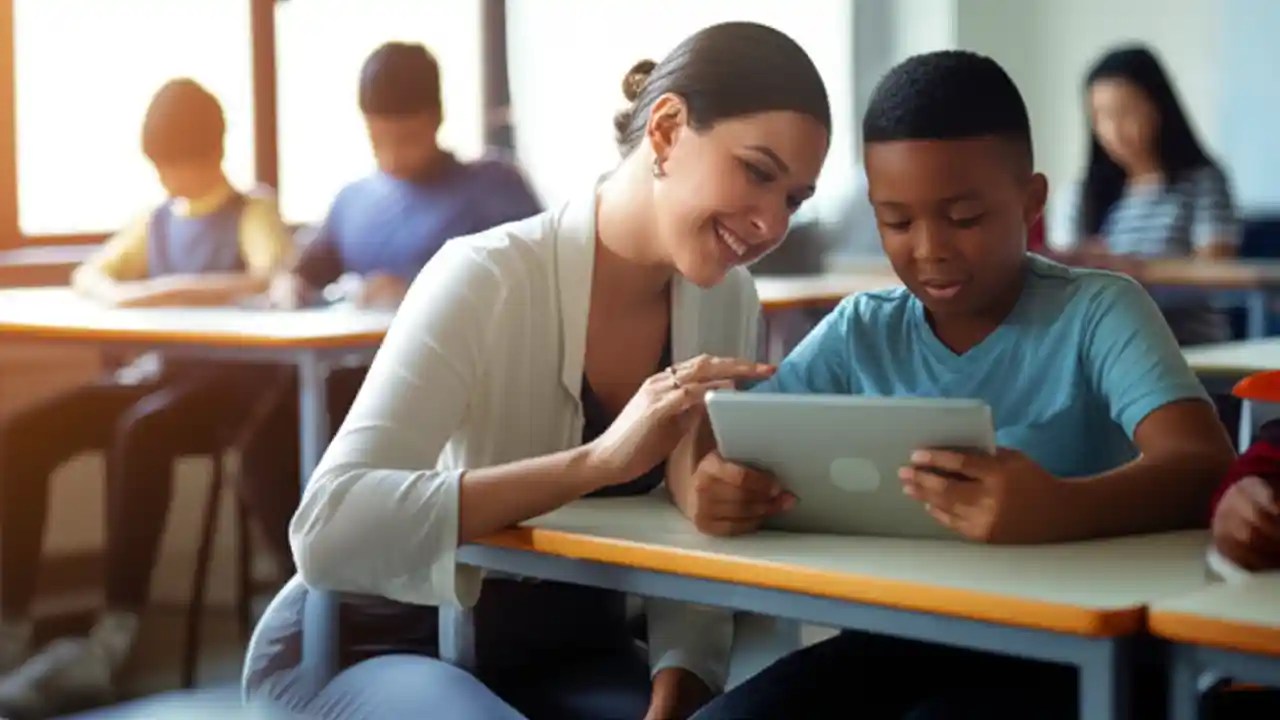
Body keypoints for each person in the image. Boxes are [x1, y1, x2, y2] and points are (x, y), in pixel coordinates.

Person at [248, 21, 831, 720]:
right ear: (669, 131)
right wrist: (595, 463)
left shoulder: (726, 296)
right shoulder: (483, 275)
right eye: (757, 173)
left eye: (793, 199)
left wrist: (676, 694)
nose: (771, 223)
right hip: (370, 648)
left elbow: (691, 557)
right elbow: (328, 529)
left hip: (560, 656)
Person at [672, 50, 1236, 720]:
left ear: (1031, 204)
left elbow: (1204, 464)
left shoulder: (1099, 311)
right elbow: (733, 442)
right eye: (897, 221)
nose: (930, 249)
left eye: (964, 217)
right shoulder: (861, 329)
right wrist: (706, 484)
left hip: (1077, 650)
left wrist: (1059, 509)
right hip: (906, 635)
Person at [0, 79, 294, 717]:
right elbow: (92, 276)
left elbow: (272, 277)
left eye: (175, 163)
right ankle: (11, 629)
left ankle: (112, 637)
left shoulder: (252, 211)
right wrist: (132, 295)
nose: (168, 177)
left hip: (227, 390)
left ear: (208, 153)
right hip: (158, 376)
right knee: (25, 433)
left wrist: (165, 292)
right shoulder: (156, 219)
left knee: (143, 430)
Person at [267, 41, 543, 437]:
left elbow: (534, 284)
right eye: (380, 141)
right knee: (270, 434)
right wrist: (289, 285)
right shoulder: (353, 202)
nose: (393, 156)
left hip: (449, 380)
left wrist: (415, 289)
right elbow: (303, 272)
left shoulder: (494, 187)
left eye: (407, 139)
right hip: (352, 375)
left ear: (436, 120)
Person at [1048, 45, 1240, 346]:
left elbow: (1214, 268)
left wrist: (1131, 268)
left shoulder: (1202, 180)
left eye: (1126, 112)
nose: (1114, 130)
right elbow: (1060, 278)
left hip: (1184, 341)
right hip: (1110, 343)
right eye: (1101, 117)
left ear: (1158, 107)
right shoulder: (1083, 193)